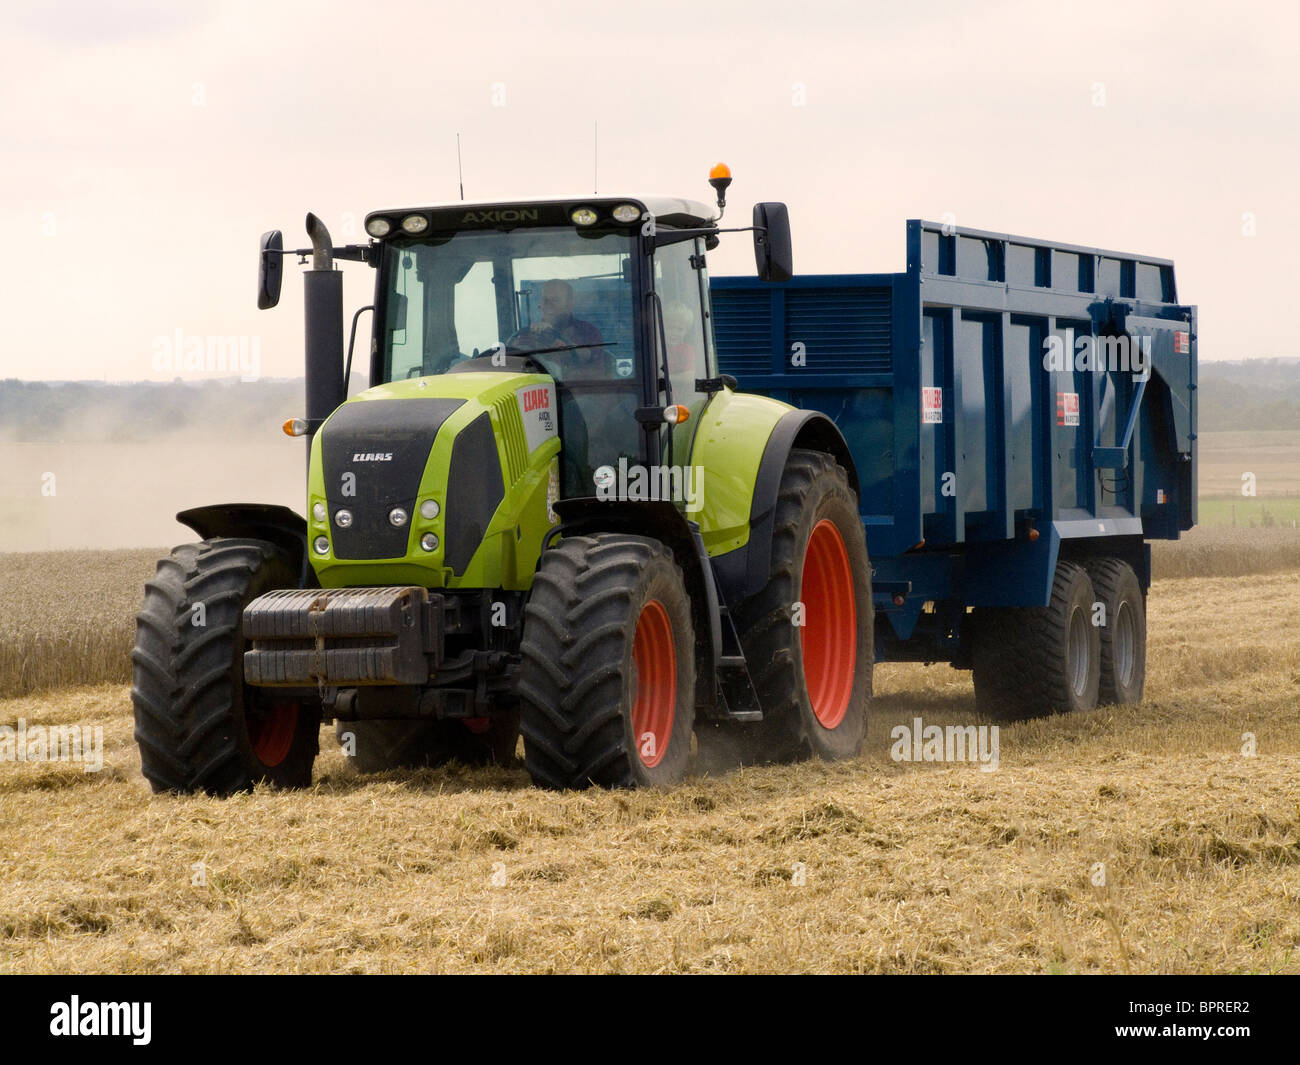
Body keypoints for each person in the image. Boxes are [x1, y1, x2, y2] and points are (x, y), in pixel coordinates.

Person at [512, 280, 611, 379]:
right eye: (545, 300)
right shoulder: (527, 336)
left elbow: (598, 374)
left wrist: (566, 349)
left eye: (555, 300)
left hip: (577, 393)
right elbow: (515, 372)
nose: (548, 305)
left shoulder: (588, 332)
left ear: (569, 304)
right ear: (540, 305)